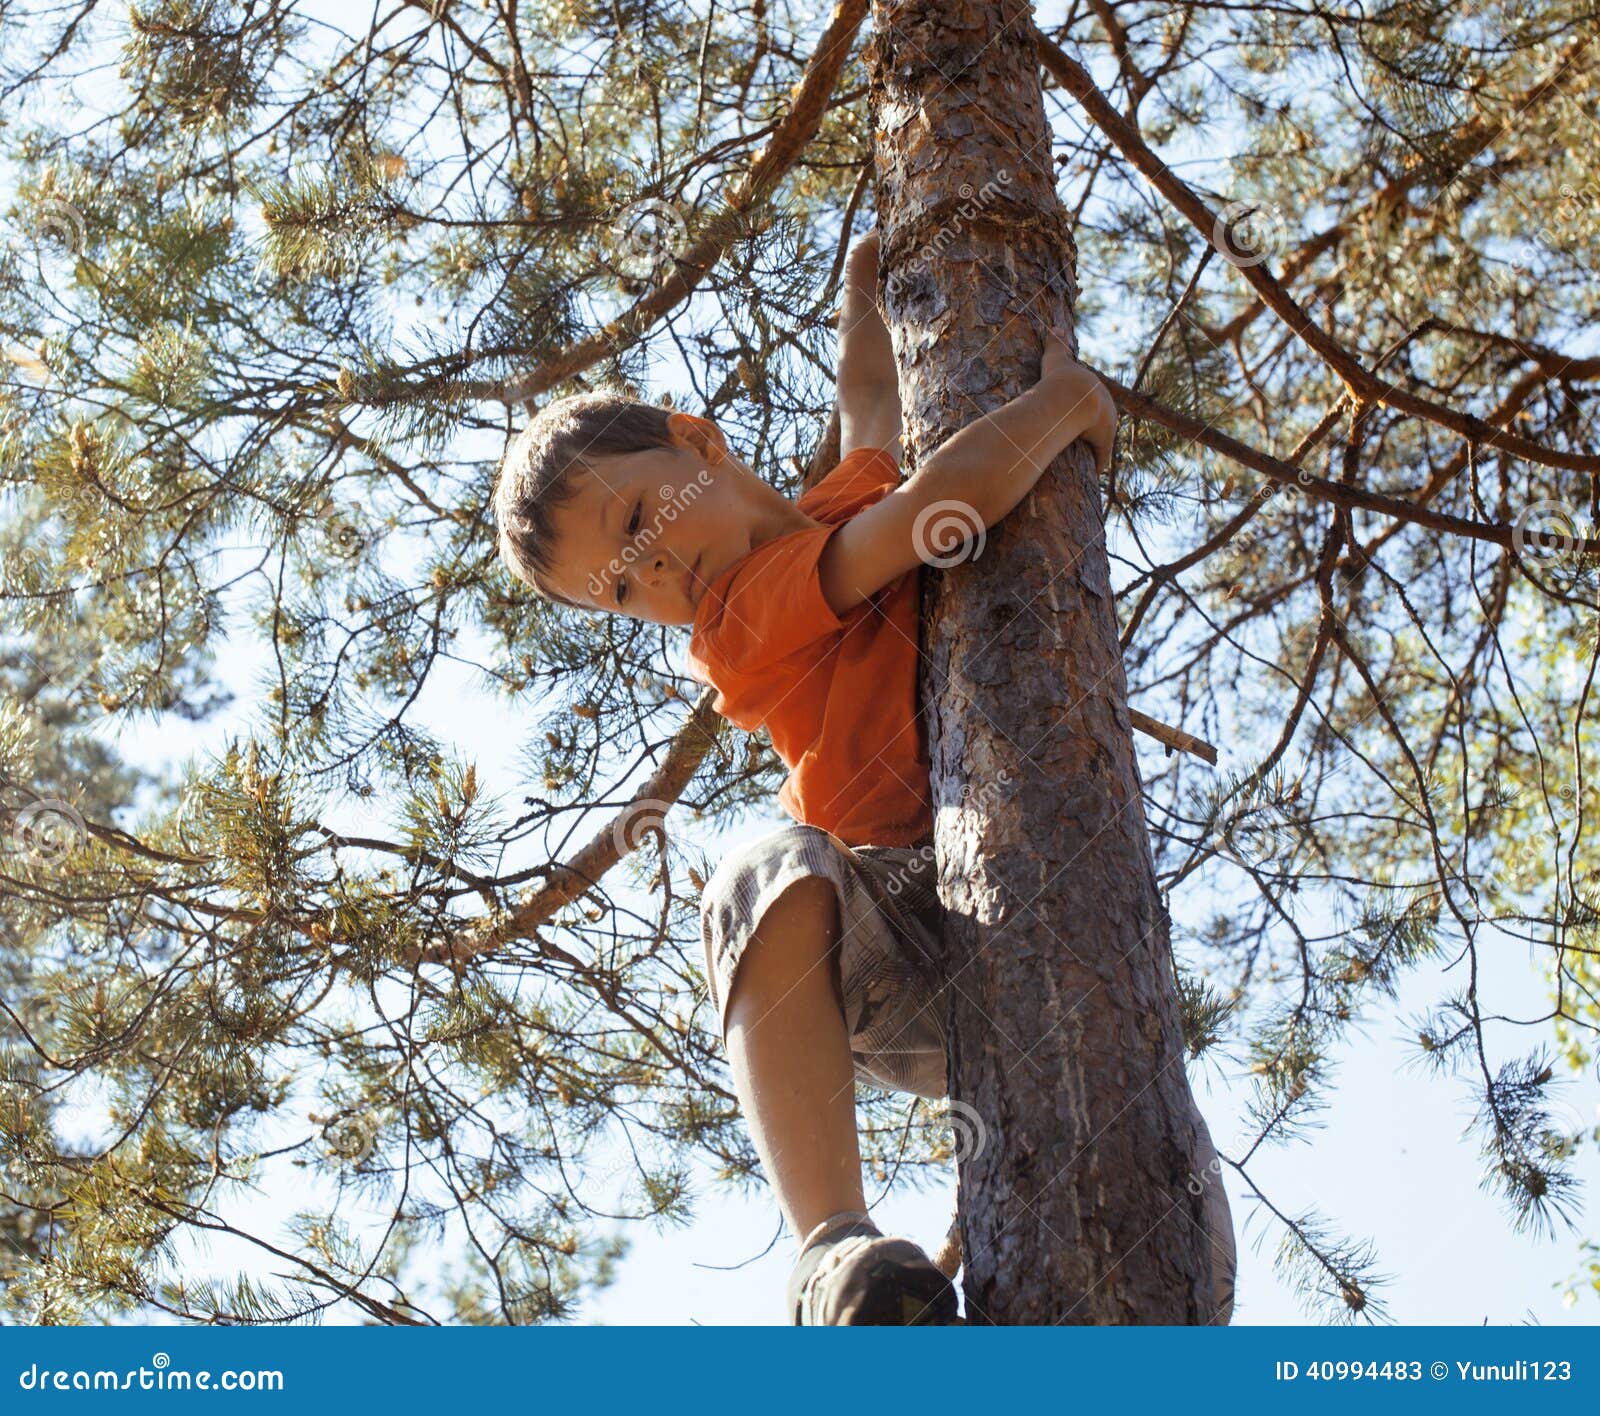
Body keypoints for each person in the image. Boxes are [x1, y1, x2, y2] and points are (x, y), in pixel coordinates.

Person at [490, 227, 1234, 1324]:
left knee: (1157, 1186)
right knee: (761, 863)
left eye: (639, 521)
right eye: (617, 589)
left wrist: (876, 280)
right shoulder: (742, 619)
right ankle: (832, 1247)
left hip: (1024, 928)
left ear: (700, 443)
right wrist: (1065, 402)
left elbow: (868, 406)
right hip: (899, 937)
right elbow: (945, 508)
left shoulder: (832, 505)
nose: (648, 570)